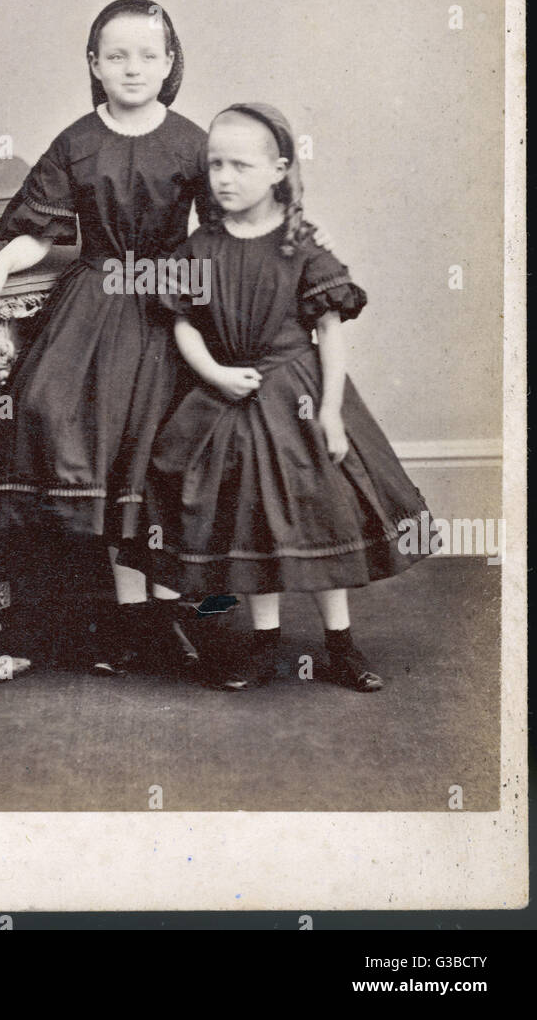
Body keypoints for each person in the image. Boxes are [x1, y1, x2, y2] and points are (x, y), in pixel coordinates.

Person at [0, 0, 331, 675]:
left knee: (163, 453)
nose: (133, 68)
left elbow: (236, 219)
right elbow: (37, 234)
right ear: (94, 65)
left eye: (148, 55)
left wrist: (292, 248)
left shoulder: (192, 140)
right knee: (85, 440)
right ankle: (132, 622)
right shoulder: (76, 140)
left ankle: (181, 613)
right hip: (94, 307)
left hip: (172, 304)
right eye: (117, 55)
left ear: (169, 63)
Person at [133, 101, 429, 692]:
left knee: (318, 520)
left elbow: (328, 335)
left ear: (279, 170)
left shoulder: (302, 250)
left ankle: (340, 645)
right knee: (251, 527)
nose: (223, 178)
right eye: (215, 164)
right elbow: (183, 323)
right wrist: (214, 373)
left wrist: (328, 412)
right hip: (228, 403)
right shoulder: (200, 250)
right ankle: (264, 644)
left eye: (240, 165)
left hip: (297, 399)